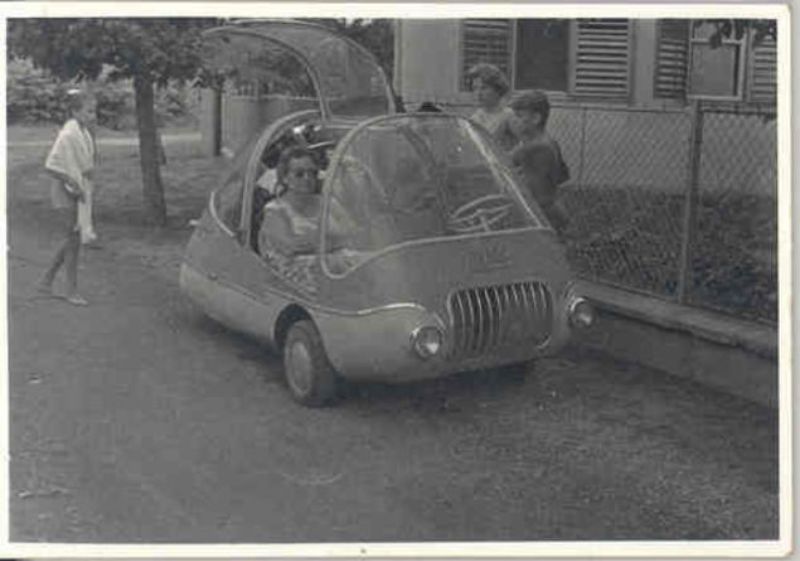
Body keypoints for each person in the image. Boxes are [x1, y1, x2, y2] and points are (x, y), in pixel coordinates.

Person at [258, 146, 354, 293]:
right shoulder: (275, 210)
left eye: (312, 173)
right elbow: (291, 247)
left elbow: (353, 234)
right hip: (303, 283)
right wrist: (334, 241)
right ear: (285, 178)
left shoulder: (329, 202)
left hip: (340, 269)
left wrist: (314, 242)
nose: (307, 178)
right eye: (299, 174)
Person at [37, 88, 99, 306]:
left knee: (72, 238)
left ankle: (45, 281)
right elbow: (51, 165)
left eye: (94, 111)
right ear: (75, 111)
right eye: (89, 111)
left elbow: (84, 162)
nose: (93, 115)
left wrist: (87, 177)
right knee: (72, 240)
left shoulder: (84, 132)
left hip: (78, 188)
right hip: (64, 191)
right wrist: (73, 182)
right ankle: (71, 290)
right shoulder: (68, 134)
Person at [508, 89, 570, 233]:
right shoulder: (549, 141)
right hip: (553, 211)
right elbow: (563, 176)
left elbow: (532, 193)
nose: (513, 121)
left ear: (536, 119)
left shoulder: (535, 147)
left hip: (542, 217)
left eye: (519, 116)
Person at [466, 63, 517, 151]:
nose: (478, 93)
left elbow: (524, 145)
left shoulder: (509, 116)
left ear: (497, 89)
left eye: (484, 88)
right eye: (475, 88)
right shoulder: (475, 117)